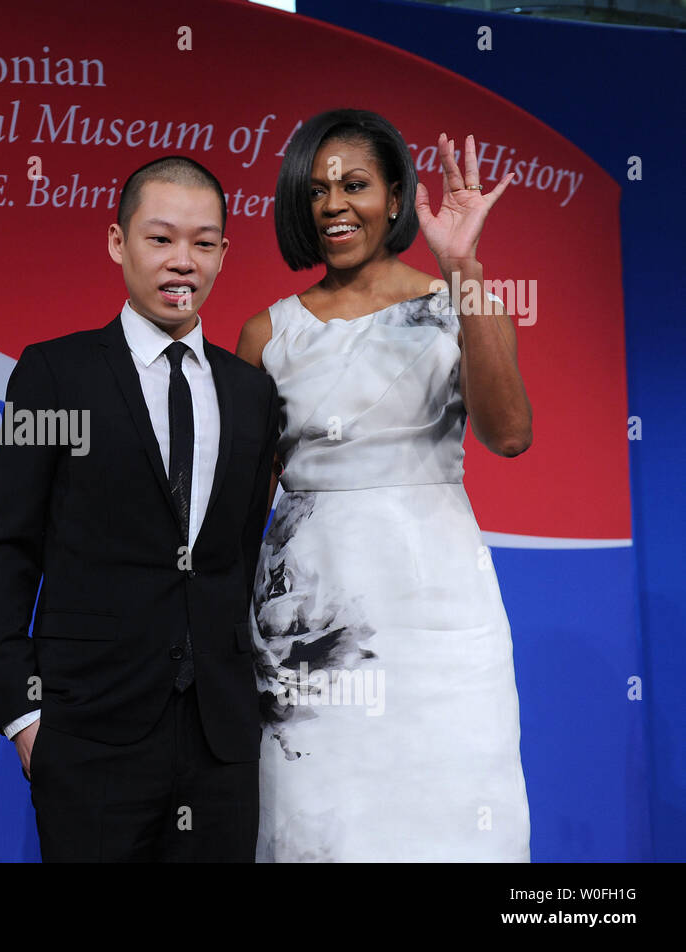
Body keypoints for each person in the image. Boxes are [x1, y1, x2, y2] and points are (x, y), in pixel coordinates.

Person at [236, 109, 532, 861]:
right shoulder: (267, 334)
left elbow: (510, 434)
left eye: (356, 185)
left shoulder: (455, 305)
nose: (334, 205)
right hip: (310, 620)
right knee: (318, 826)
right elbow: (242, 505)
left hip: (437, 617)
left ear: (397, 198)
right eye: (316, 191)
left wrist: (464, 267)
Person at [0, 156, 280, 862]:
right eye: (160, 238)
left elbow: (237, 556)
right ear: (118, 242)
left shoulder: (250, 394)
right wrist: (24, 716)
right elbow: (5, 552)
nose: (183, 262)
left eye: (204, 244)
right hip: (87, 734)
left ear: (225, 255)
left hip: (220, 743)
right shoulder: (51, 374)